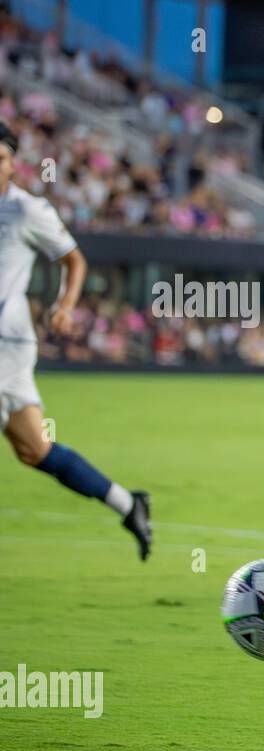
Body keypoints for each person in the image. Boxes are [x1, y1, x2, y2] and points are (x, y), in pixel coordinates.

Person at [0, 121, 151, 559]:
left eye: (2, 158)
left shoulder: (27, 210)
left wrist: (65, 305)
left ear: (12, 163)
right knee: (33, 449)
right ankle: (128, 503)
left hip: (6, 343)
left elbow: (74, 260)